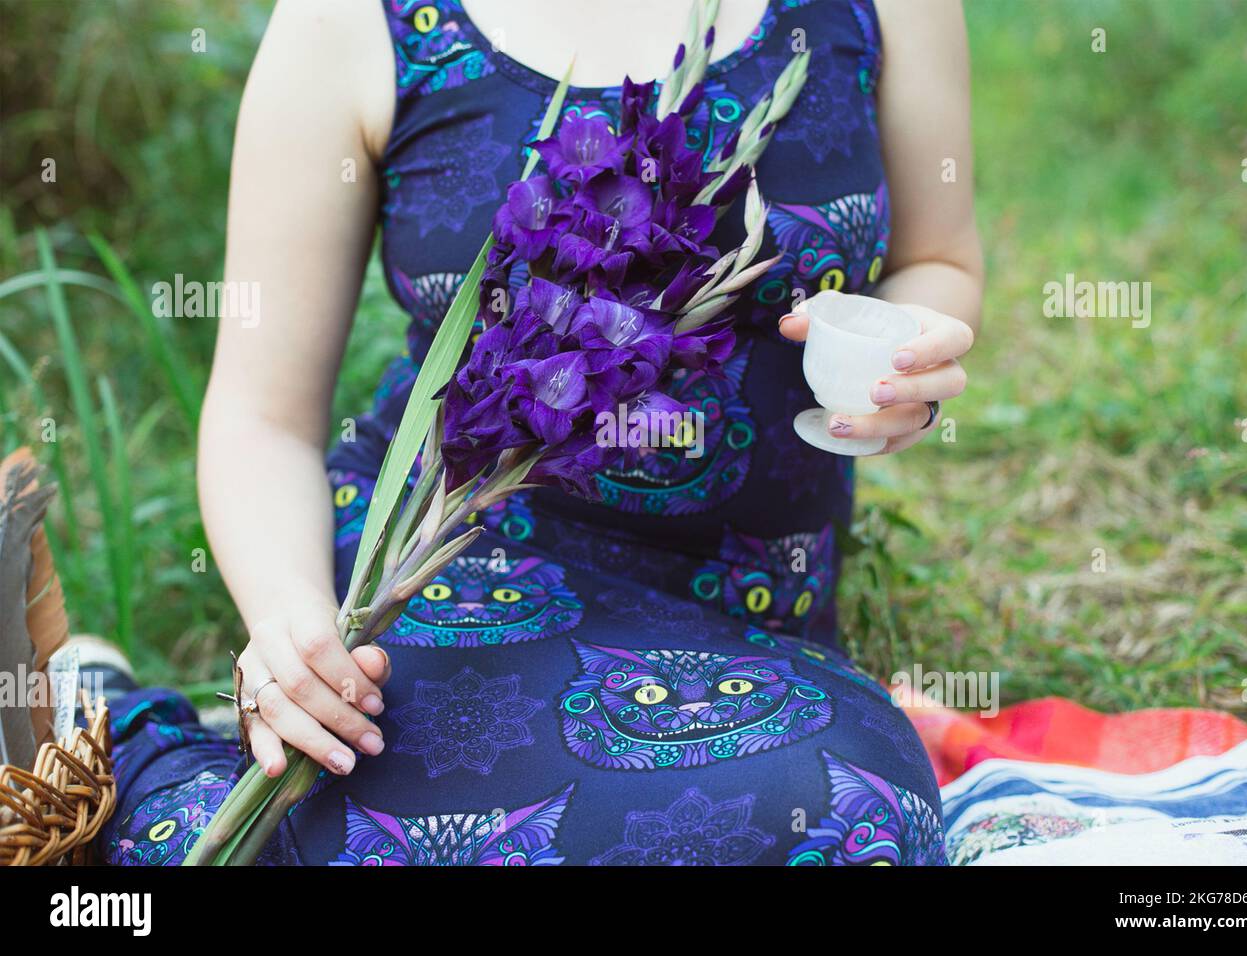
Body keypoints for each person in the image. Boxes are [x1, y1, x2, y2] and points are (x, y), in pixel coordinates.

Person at [102, 0, 981, 866]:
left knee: (854, 816)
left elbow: (938, 260)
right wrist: (290, 626)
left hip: (753, 604)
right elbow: (264, 418)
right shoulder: (355, 21)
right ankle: (132, 748)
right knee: (826, 810)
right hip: (452, 567)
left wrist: (909, 356)